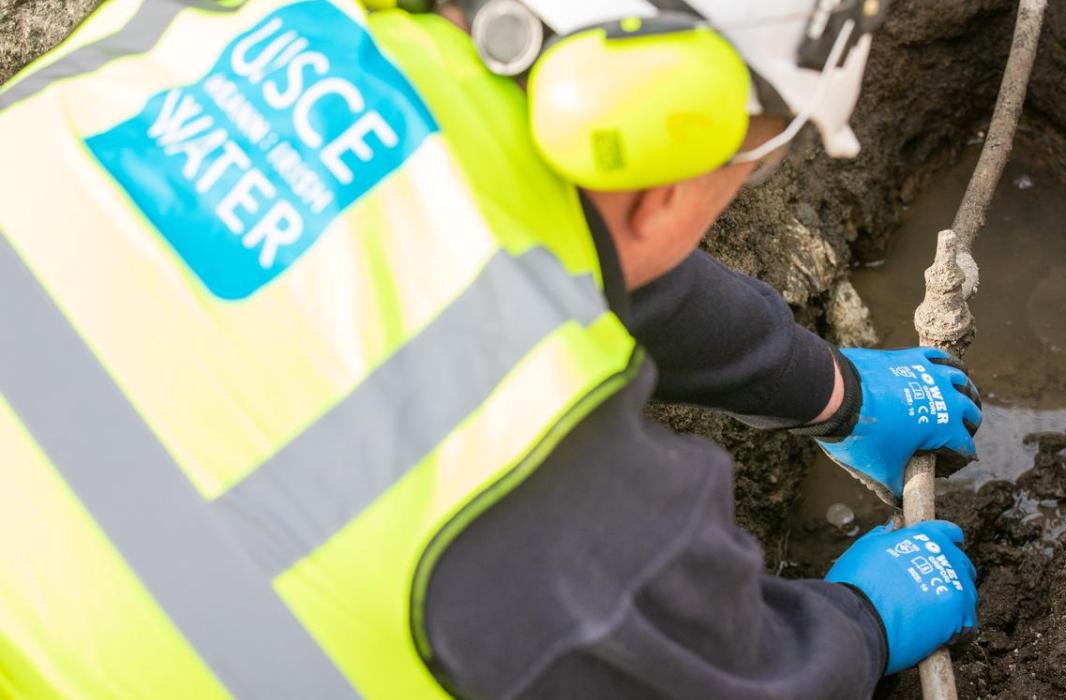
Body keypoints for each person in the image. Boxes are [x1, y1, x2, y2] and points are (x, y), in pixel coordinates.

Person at [0, 0, 981, 697]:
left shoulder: (191, 23)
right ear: (676, 182)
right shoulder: (526, 471)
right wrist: (854, 622)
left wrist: (827, 388)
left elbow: (535, 261)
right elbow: (721, 679)